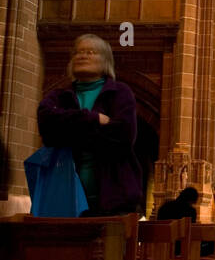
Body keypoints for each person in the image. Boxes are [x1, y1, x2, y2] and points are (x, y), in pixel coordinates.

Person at [37, 34, 143, 216]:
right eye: (77, 52)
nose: (82, 56)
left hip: (113, 202)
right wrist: (94, 120)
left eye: (90, 52)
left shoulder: (119, 93)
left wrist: (71, 131)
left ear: (105, 61)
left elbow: (123, 136)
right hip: (65, 200)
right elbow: (48, 128)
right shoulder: (59, 96)